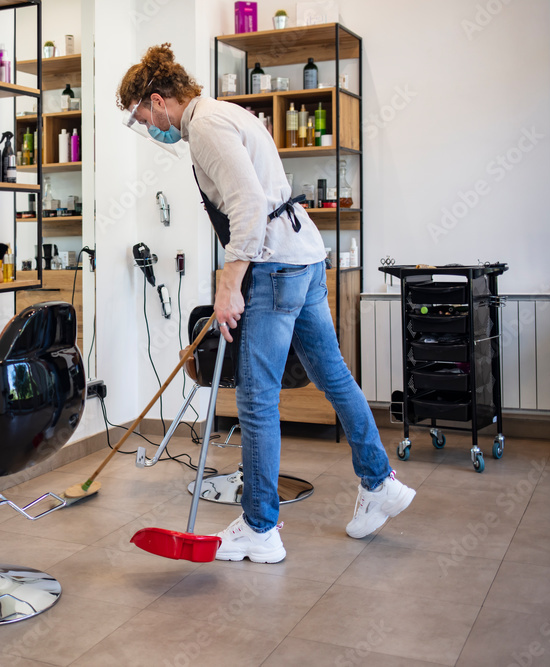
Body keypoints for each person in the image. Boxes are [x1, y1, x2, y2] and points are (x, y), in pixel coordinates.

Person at [117, 44, 415, 563]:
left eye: (144, 117)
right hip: (303, 256)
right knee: (334, 375)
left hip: (275, 265)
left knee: (256, 398)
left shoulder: (205, 126)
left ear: (159, 101)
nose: (150, 128)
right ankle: (379, 479)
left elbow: (250, 206)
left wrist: (229, 283)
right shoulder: (225, 113)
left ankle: (260, 526)